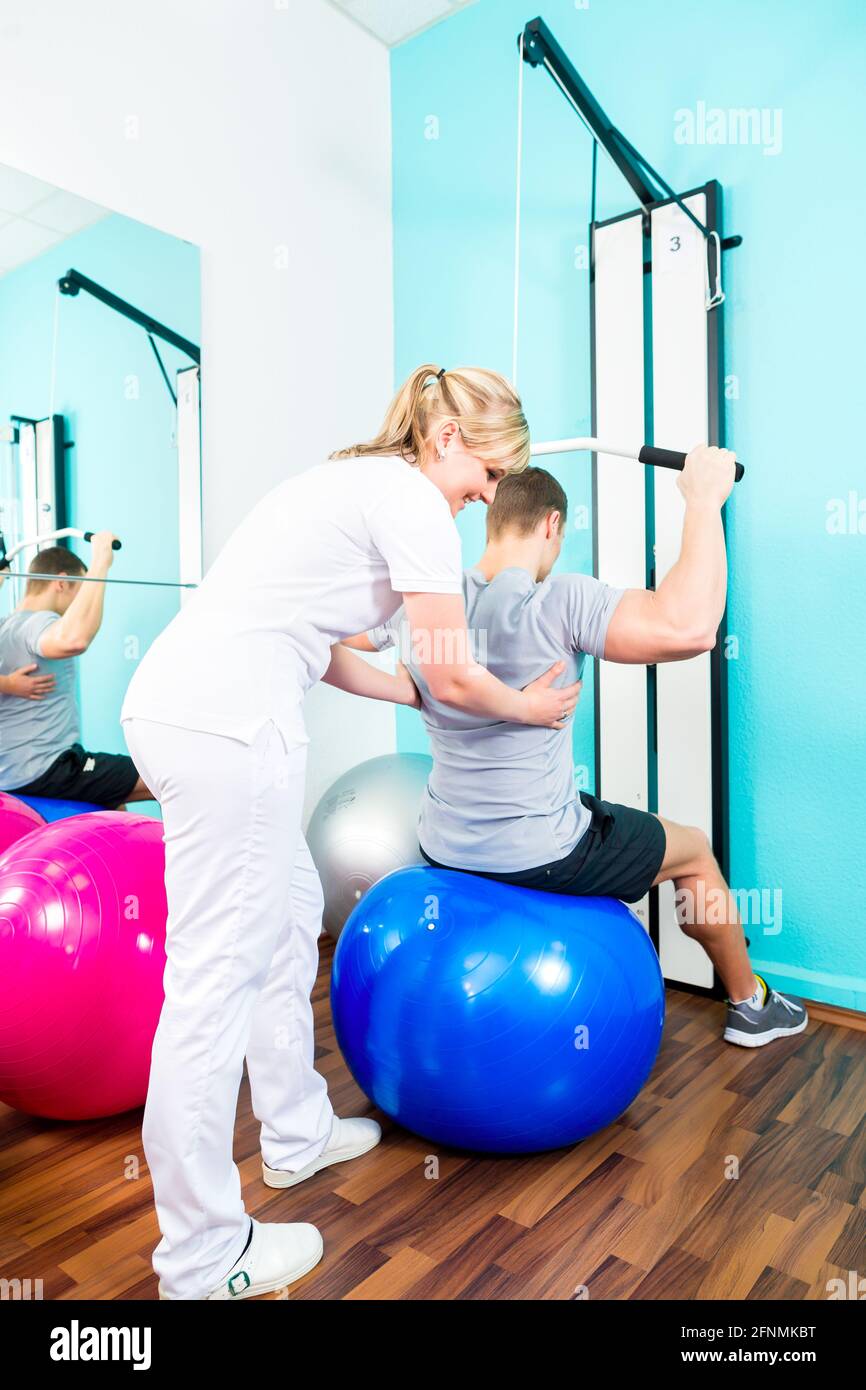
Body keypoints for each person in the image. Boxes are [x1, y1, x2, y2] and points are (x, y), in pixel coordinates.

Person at [119, 364, 581, 1302]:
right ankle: (201, 1256)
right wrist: (524, 710)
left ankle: (294, 1134)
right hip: (228, 728)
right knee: (214, 977)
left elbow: (335, 650)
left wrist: (420, 690)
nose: (483, 497)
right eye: (486, 475)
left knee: (289, 911)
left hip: (190, 710)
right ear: (448, 441)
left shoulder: (350, 484)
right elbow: (453, 671)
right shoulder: (407, 496)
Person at [348, 455, 808, 1051]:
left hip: (445, 841)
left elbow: (334, 629)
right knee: (694, 851)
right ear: (551, 526)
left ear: (491, 524)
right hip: (540, 850)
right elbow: (690, 627)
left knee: (588, 807)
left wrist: (409, 688)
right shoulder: (559, 601)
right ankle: (751, 1005)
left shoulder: (428, 601)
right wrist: (701, 499)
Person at [0, 538, 154, 809]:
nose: (80, 603)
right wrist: (101, 559)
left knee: (114, 800)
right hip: (44, 768)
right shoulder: (37, 622)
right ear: (61, 582)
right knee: (163, 775)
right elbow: (74, 639)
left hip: (16, 769)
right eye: (80, 590)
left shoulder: (5, 625)